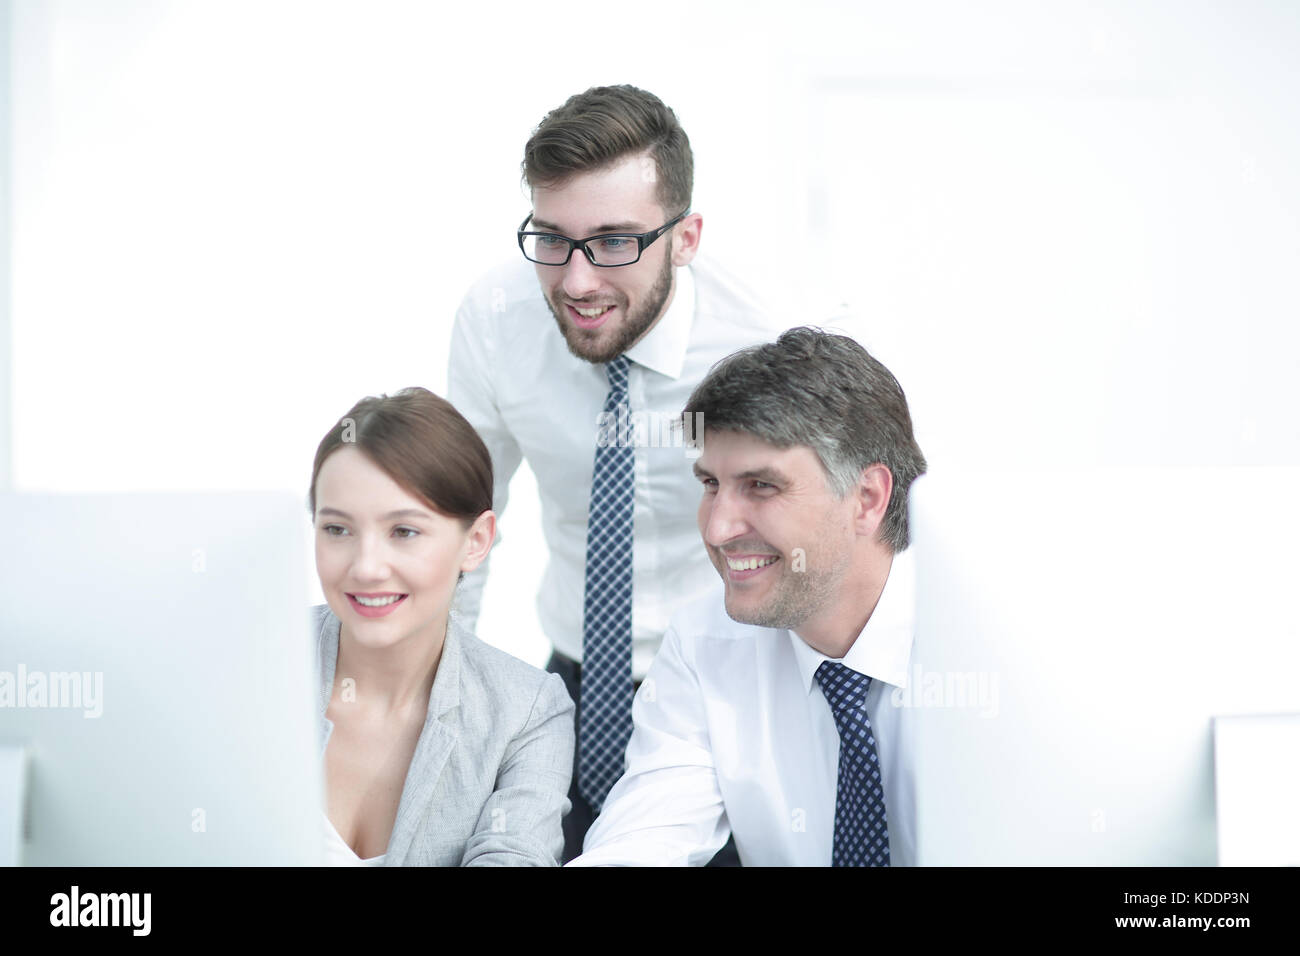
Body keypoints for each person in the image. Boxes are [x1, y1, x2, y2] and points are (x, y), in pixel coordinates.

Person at [448, 84, 784, 861]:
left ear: (687, 236)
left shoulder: (768, 335)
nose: (576, 281)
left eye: (613, 242)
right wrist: (439, 704)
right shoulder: (495, 323)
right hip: (573, 679)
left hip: (732, 677)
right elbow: (459, 525)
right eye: (553, 239)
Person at [569, 327, 928, 866]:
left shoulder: (990, 641)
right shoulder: (702, 644)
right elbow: (643, 837)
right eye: (711, 484)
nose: (717, 530)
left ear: (867, 498)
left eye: (761, 486)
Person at [307, 386, 574, 866]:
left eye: (403, 531)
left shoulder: (526, 714)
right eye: (338, 529)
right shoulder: (251, 664)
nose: (366, 567)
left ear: (476, 541)